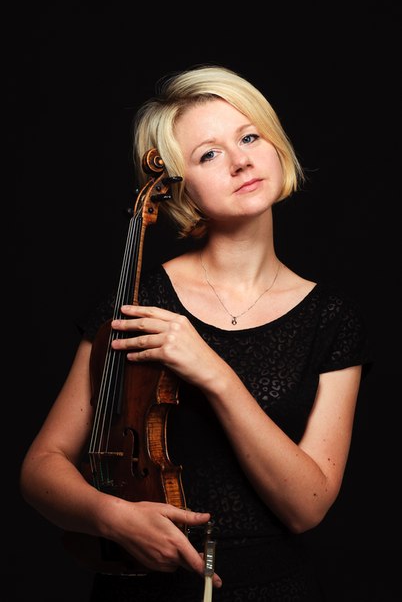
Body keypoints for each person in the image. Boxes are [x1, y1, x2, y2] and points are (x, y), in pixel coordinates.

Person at [20, 64, 371, 601]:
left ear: (275, 145)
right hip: (145, 590)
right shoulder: (138, 301)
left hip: (275, 589)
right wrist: (112, 516)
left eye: (249, 137)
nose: (240, 160)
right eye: (209, 154)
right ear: (181, 186)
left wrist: (215, 374)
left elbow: (307, 508)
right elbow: (41, 470)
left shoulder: (331, 319)